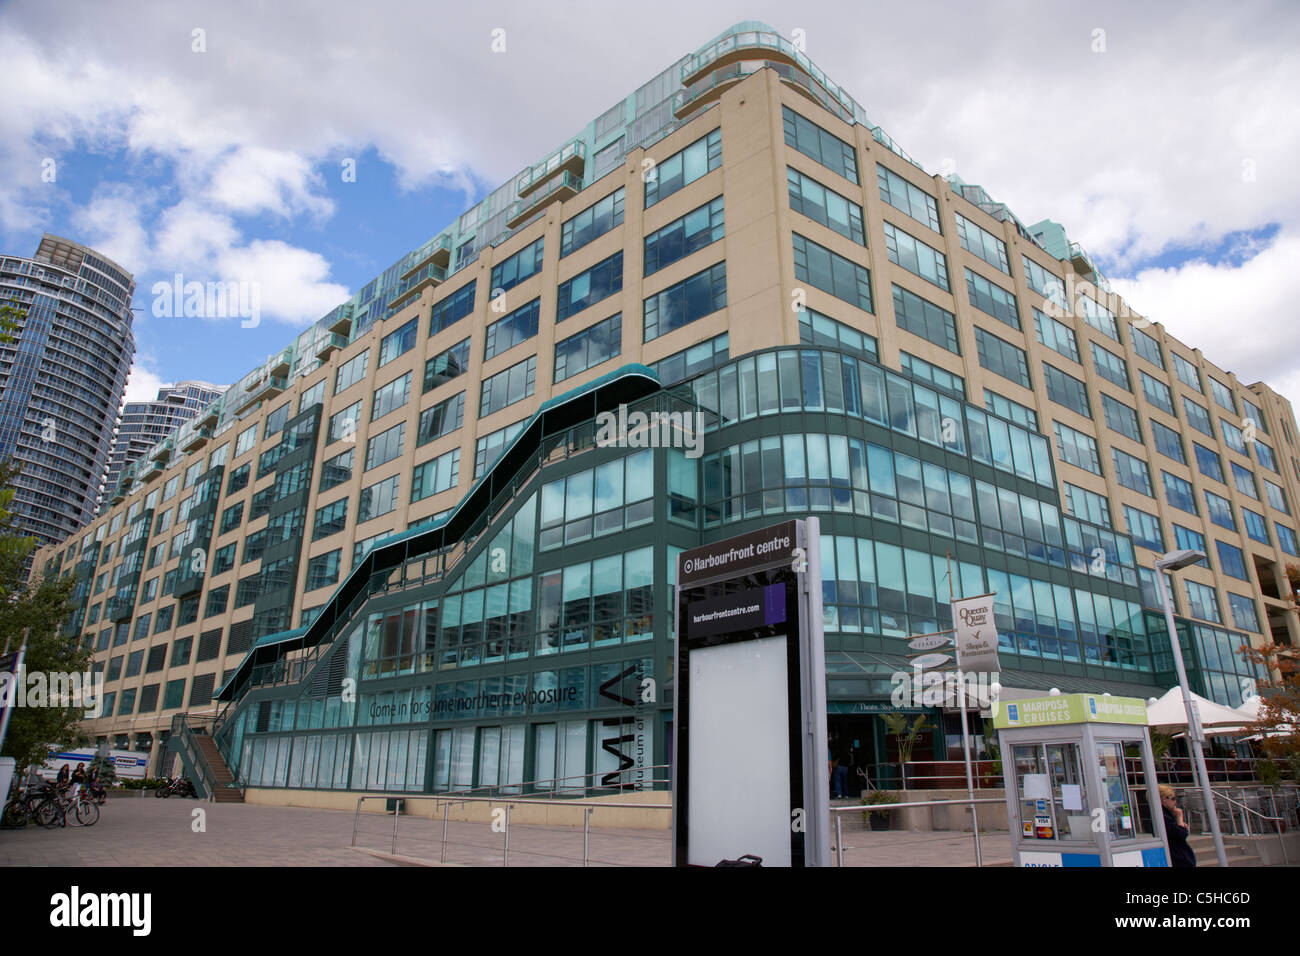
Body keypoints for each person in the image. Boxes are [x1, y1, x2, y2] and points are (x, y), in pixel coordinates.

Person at [1160, 784, 1196, 868]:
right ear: (1164, 799)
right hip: (1177, 858)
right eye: (1173, 799)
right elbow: (1181, 834)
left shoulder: (1166, 814)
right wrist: (1180, 817)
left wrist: (1179, 824)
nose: (1175, 802)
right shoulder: (1164, 816)